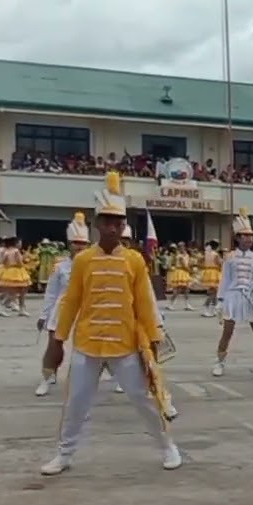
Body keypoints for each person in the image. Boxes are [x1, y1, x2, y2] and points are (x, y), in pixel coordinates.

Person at [40, 172, 181, 475]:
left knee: (143, 399)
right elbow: (71, 302)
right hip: (88, 342)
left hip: (126, 344)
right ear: (97, 224)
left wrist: (154, 340)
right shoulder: (82, 261)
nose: (114, 227)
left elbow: (145, 304)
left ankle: (168, 446)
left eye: (119, 223)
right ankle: (64, 454)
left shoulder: (134, 260)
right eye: (108, 222)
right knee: (76, 403)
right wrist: (57, 341)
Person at [35, 211, 89, 396]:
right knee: (54, 346)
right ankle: (47, 378)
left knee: (93, 347)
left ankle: (115, 377)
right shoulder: (60, 267)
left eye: (83, 243)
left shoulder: (93, 264)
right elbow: (51, 293)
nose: (79, 247)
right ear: (70, 244)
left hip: (87, 309)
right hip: (62, 308)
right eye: (76, 243)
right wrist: (44, 315)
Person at [212, 208, 253, 377]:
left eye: (250, 236)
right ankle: (220, 362)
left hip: (250, 297)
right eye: (244, 235)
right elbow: (225, 280)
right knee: (227, 331)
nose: (248, 239)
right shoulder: (229, 257)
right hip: (232, 296)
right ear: (237, 238)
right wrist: (220, 301)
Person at [165, 244, 194, 310]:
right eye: (180, 247)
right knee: (177, 290)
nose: (182, 248)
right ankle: (171, 304)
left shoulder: (186, 255)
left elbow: (188, 263)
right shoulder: (179, 256)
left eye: (183, 247)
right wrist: (190, 271)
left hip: (183, 272)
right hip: (180, 272)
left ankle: (187, 304)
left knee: (186, 289)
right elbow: (183, 265)